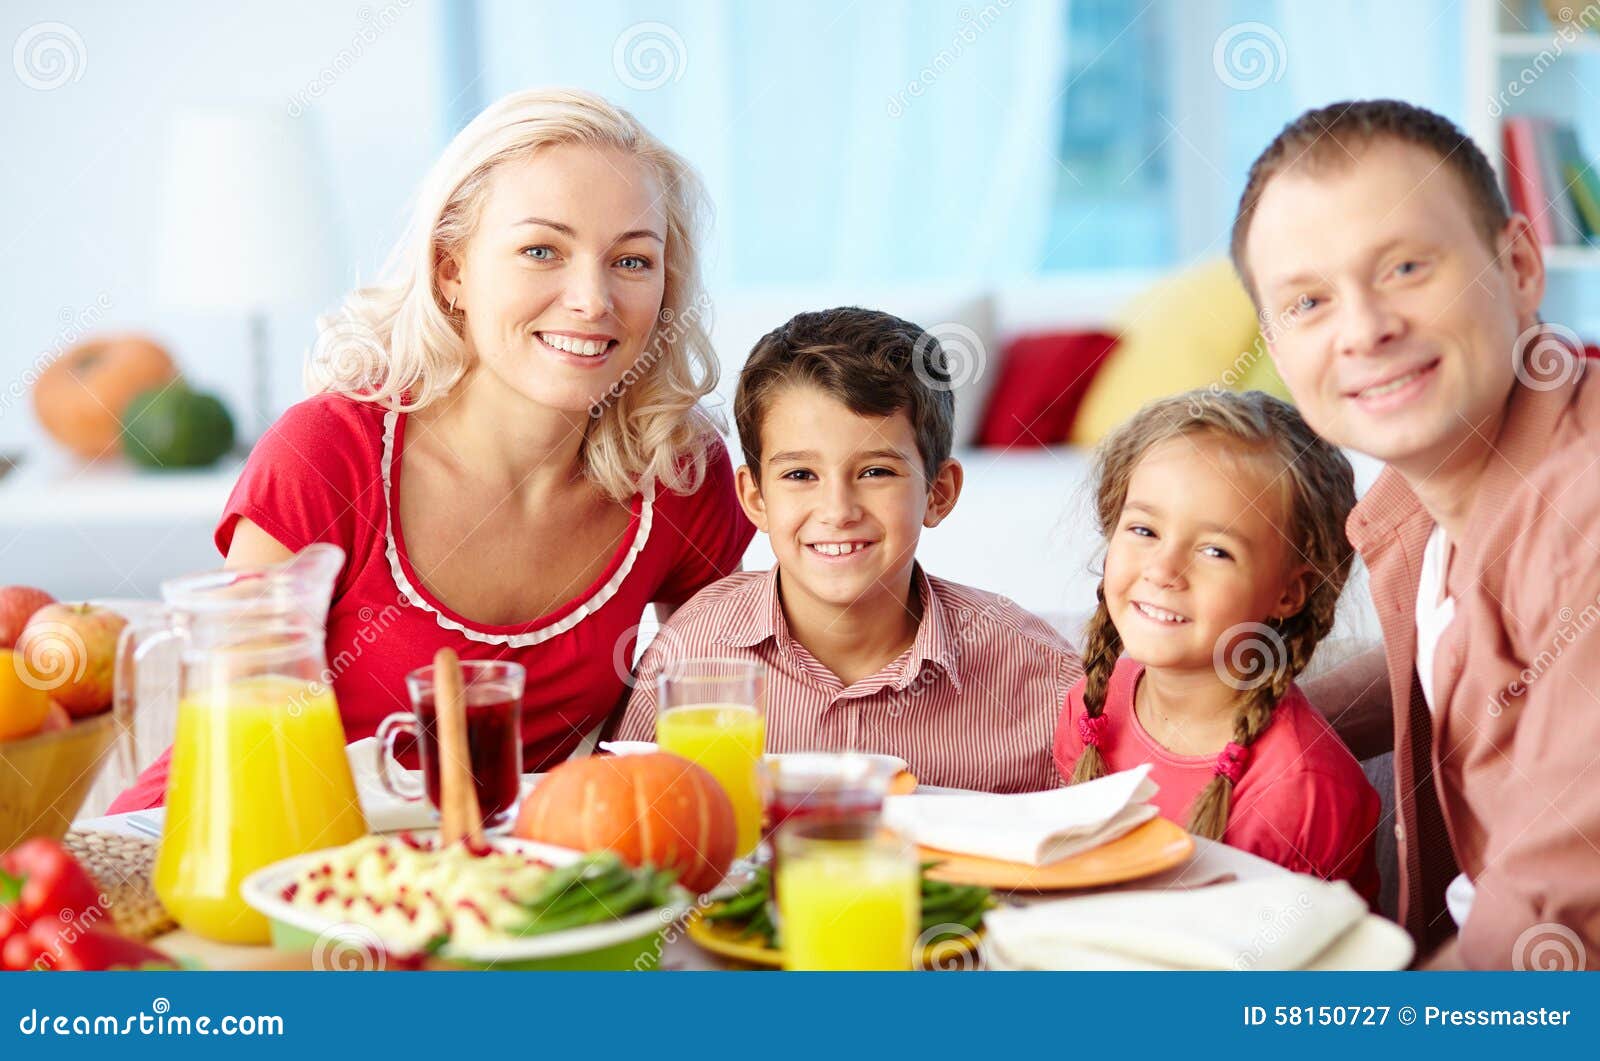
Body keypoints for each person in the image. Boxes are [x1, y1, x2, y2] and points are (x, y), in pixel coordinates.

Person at [108, 88, 753, 812]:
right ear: (452, 271)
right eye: (541, 250)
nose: (592, 299)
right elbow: (238, 747)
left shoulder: (676, 470)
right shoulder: (329, 454)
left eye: (632, 261)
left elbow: (717, 710)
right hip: (235, 843)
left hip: (486, 871)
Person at [1235, 99, 1600, 967]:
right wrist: (1247, 722)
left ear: (1518, 265)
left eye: (1404, 267)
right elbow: (1469, 656)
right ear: (1278, 350)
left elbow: (1551, 931)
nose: (1366, 329)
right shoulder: (1426, 496)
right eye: (1310, 301)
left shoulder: (1582, 517)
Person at [612, 308, 1082, 792]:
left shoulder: (1037, 672)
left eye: (876, 472)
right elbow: (629, 812)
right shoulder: (691, 655)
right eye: (800, 475)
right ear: (755, 498)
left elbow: (1110, 821)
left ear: (938, 493)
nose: (837, 511)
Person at [1053, 390, 1379, 902]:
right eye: (1144, 530)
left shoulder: (1301, 787)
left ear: (1289, 592)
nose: (1164, 570)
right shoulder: (1091, 707)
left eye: (1215, 551)